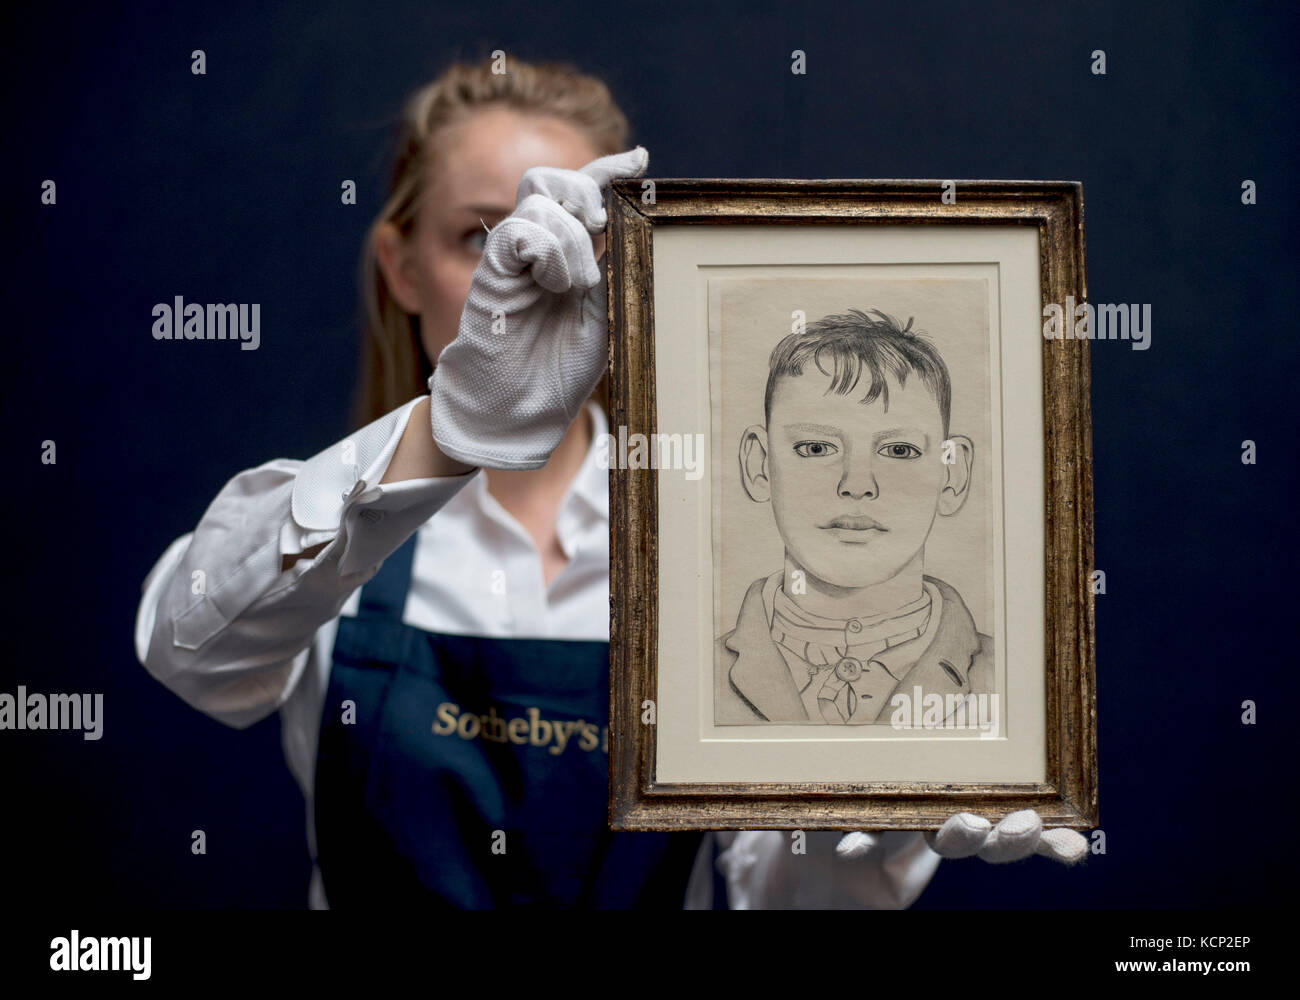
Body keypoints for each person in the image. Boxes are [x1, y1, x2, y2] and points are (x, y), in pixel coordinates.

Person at [134, 58, 1085, 911]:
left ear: (626, 269)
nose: (530, 275)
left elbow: (782, 901)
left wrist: (871, 826)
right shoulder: (347, 527)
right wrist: (454, 431)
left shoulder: (714, 557)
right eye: (483, 237)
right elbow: (192, 649)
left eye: (569, 244)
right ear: (402, 268)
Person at [716, 308, 993, 726]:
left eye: (900, 450)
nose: (857, 484)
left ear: (952, 474)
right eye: (815, 448)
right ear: (759, 465)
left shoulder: (1013, 683)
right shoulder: (691, 681)